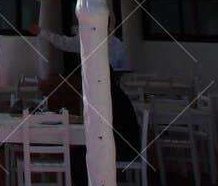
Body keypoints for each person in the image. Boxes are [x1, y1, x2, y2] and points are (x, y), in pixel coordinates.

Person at [28, 24, 142, 161]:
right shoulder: (87, 40)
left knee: (79, 156)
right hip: (116, 142)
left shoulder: (115, 46)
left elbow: (125, 69)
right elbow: (64, 42)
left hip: (119, 149)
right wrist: (42, 32)